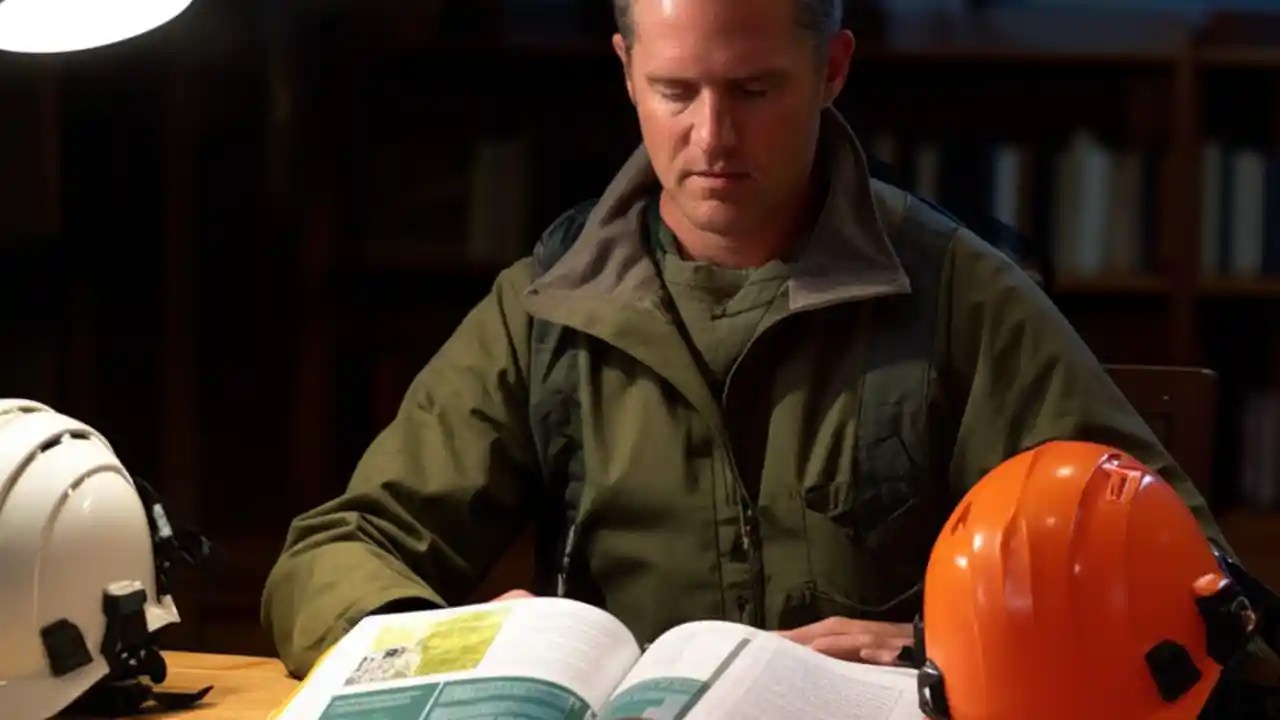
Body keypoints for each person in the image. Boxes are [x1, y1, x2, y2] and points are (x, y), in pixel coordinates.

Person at [261, 0, 1235, 687]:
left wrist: (939, 648)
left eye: (754, 90)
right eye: (675, 91)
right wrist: (471, 652)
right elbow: (336, 554)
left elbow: (1194, 600)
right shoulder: (546, 307)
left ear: (832, 70)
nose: (711, 137)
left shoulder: (962, 296)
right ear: (624, 72)